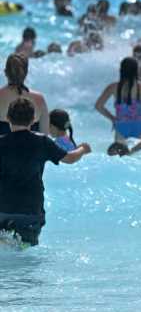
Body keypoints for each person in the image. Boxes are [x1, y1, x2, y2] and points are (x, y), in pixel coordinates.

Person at [0, 98, 91, 246]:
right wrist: (83, 149)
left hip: (2, 210)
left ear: (7, 118)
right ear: (33, 120)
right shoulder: (42, 141)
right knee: (25, 251)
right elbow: (70, 158)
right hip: (31, 211)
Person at [95, 57, 141, 146]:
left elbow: (98, 106)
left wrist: (112, 118)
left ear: (121, 70)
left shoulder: (113, 87)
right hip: (138, 125)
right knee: (137, 155)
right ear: (136, 71)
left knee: (120, 155)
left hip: (121, 125)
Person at [0, 54, 49, 135]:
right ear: (26, 73)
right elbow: (45, 135)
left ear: (5, 72)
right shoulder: (39, 99)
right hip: (32, 147)